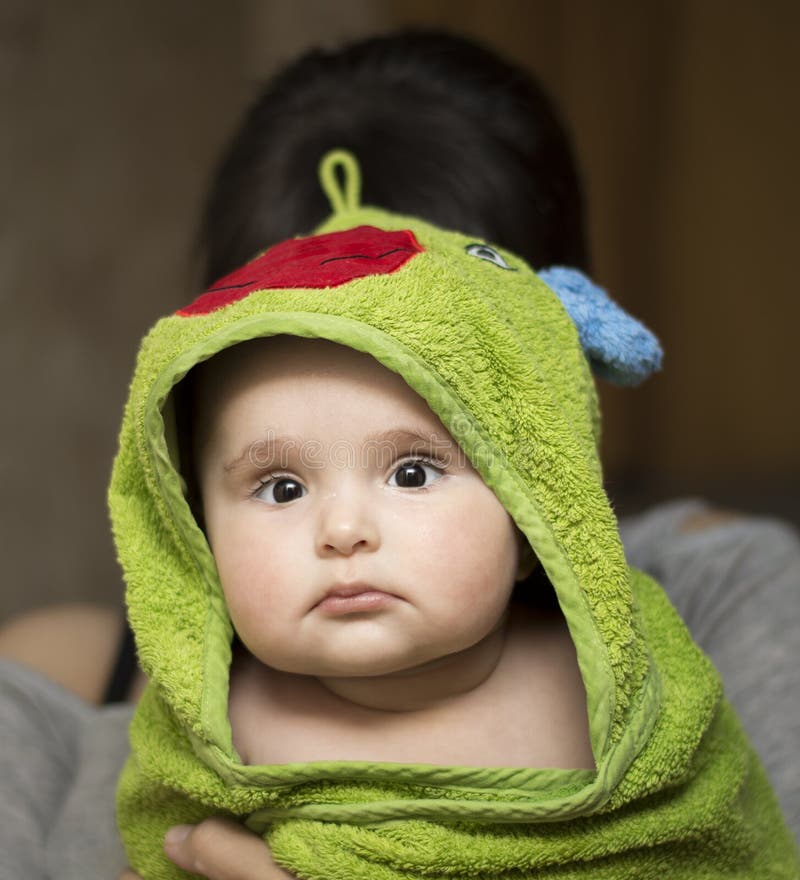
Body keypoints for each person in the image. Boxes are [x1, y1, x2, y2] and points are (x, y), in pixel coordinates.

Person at [0, 30, 797, 880]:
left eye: (413, 470)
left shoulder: (688, 647)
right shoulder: (117, 707)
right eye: (280, 483)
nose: (343, 527)